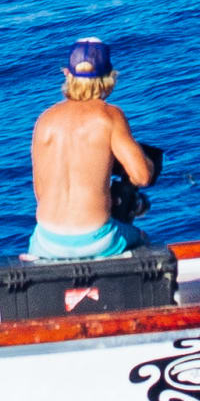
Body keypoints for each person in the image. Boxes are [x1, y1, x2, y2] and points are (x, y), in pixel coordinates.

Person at [26, 37, 157, 261]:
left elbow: (40, 193)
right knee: (142, 239)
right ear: (110, 77)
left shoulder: (44, 120)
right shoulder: (110, 116)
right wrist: (148, 162)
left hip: (47, 241)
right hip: (97, 239)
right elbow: (142, 176)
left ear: (67, 74)